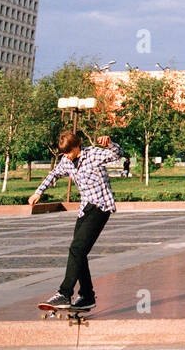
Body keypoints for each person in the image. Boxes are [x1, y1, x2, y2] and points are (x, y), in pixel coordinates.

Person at [28, 132, 122, 312]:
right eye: (64, 154)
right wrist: (38, 192)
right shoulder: (66, 161)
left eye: (69, 152)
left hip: (100, 207)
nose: (67, 157)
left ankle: (64, 293)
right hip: (85, 209)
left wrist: (110, 143)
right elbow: (53, 174)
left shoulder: (93, 154)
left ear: (77, 146)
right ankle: (87, 296)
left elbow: (117, 154)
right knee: (79, 252)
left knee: (77, 249)